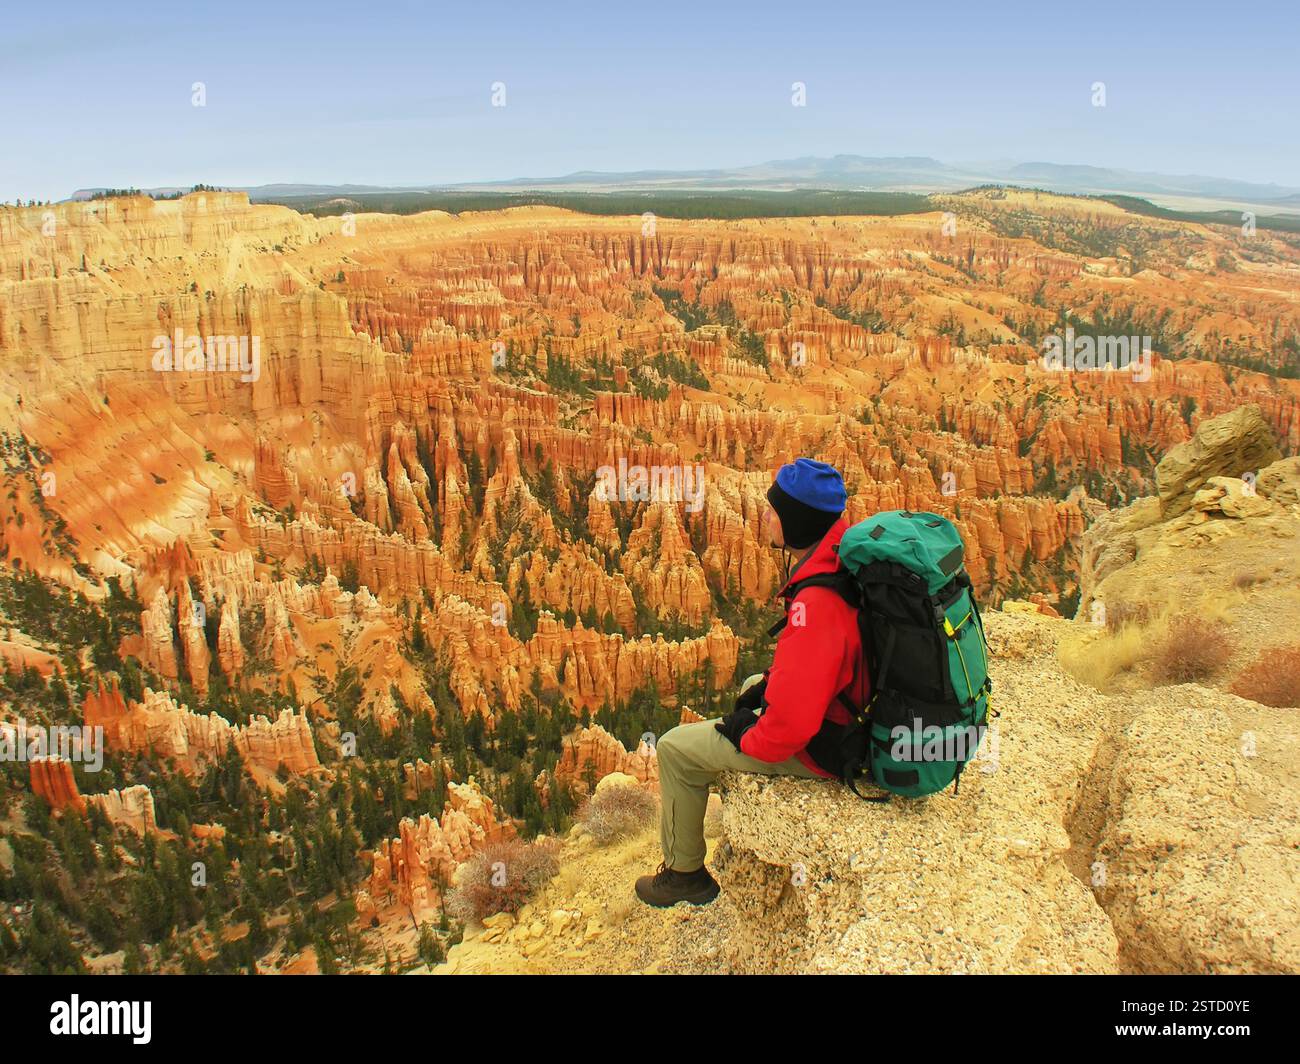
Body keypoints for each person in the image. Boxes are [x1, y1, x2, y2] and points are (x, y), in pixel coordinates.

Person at [634, 458, 869, 907]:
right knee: (753, 681)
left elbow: (787, 734)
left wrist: (746, 733)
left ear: (797, 522)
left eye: (774, 510)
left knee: (674, 749)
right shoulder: (843, 558)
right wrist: (771, 685)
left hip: (835, 741)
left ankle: (684, 873)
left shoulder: (816, 602)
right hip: (852, 705)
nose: (763, 517)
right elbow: (824, 661)